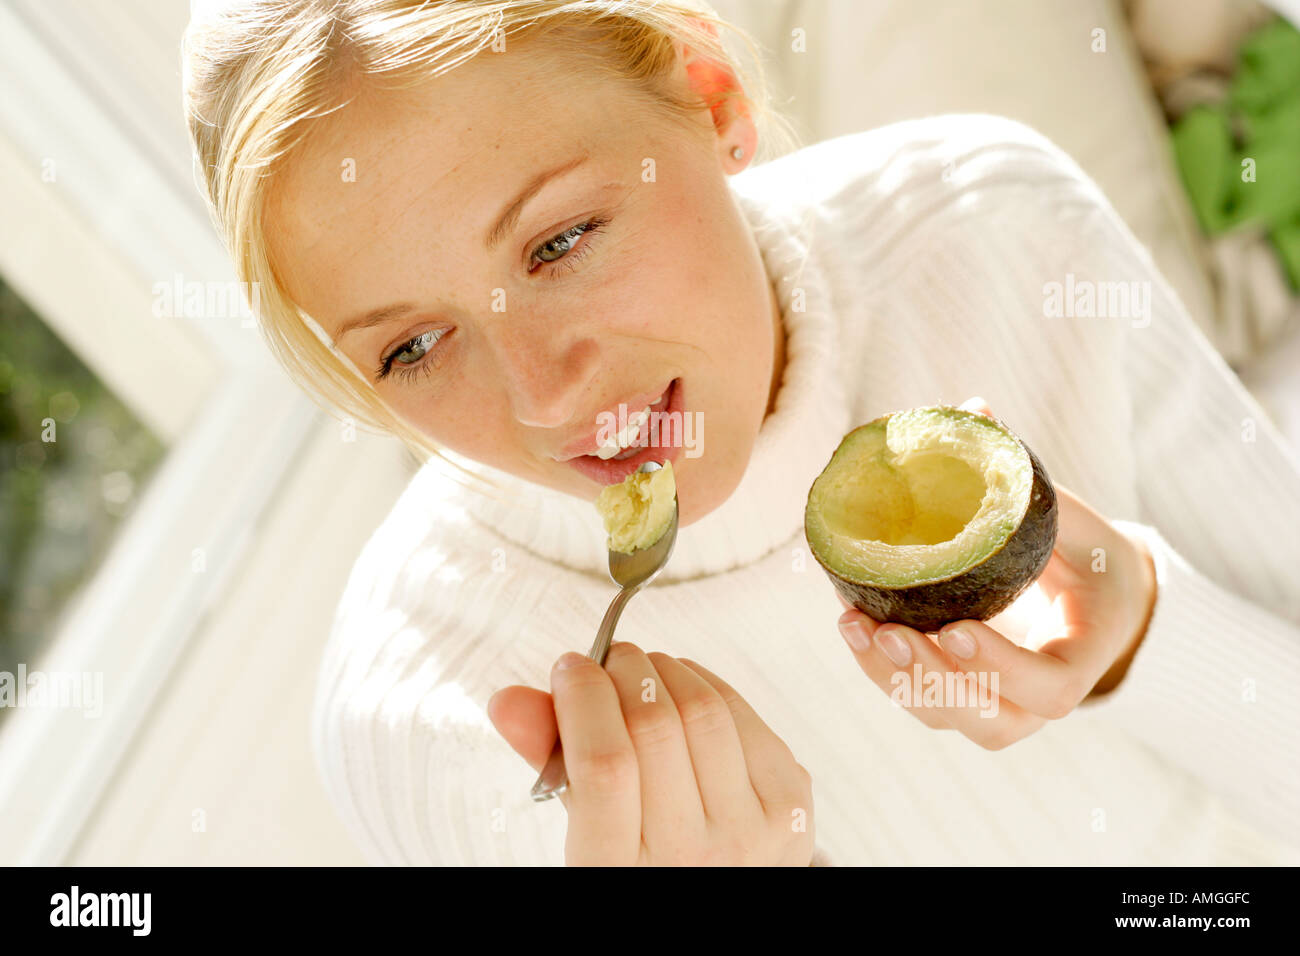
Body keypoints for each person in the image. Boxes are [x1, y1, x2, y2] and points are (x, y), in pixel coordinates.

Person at [183, 0, 1300, 865]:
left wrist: (1151, 629)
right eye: (412, 349)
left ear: (711, 100)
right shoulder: (419, 715)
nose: (543, 396)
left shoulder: (992, 223)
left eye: (561, 240)